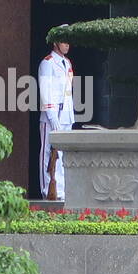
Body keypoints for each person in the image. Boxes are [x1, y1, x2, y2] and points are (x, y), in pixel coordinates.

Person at [38, 37, 76, 200]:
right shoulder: (47, 63)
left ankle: (61, 189)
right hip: (52, 116)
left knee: (63, 155)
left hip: (66, 115)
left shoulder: (67, 63)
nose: (67, 44)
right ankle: (48, 189)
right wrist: (52, 116)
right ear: (55, 43)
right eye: (63, 41)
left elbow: (68, 92)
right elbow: (46, 91)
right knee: (48, 153)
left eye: (68, 41)